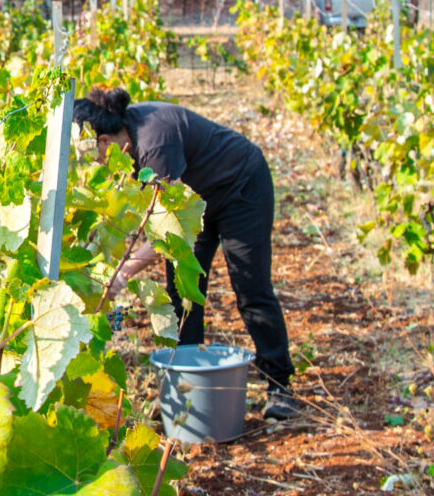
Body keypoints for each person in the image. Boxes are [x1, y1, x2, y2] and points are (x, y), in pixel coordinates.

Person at [73, 87, 300, 423]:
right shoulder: (126, 140)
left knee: (251, 290)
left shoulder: (154, 144)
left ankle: (280, 384)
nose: (96, 163)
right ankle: (186, 389)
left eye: (92, 153)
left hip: (241, 185)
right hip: (196, 200)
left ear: (104, 141)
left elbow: (168, 232)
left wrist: (122, 274)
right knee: (183, 290)